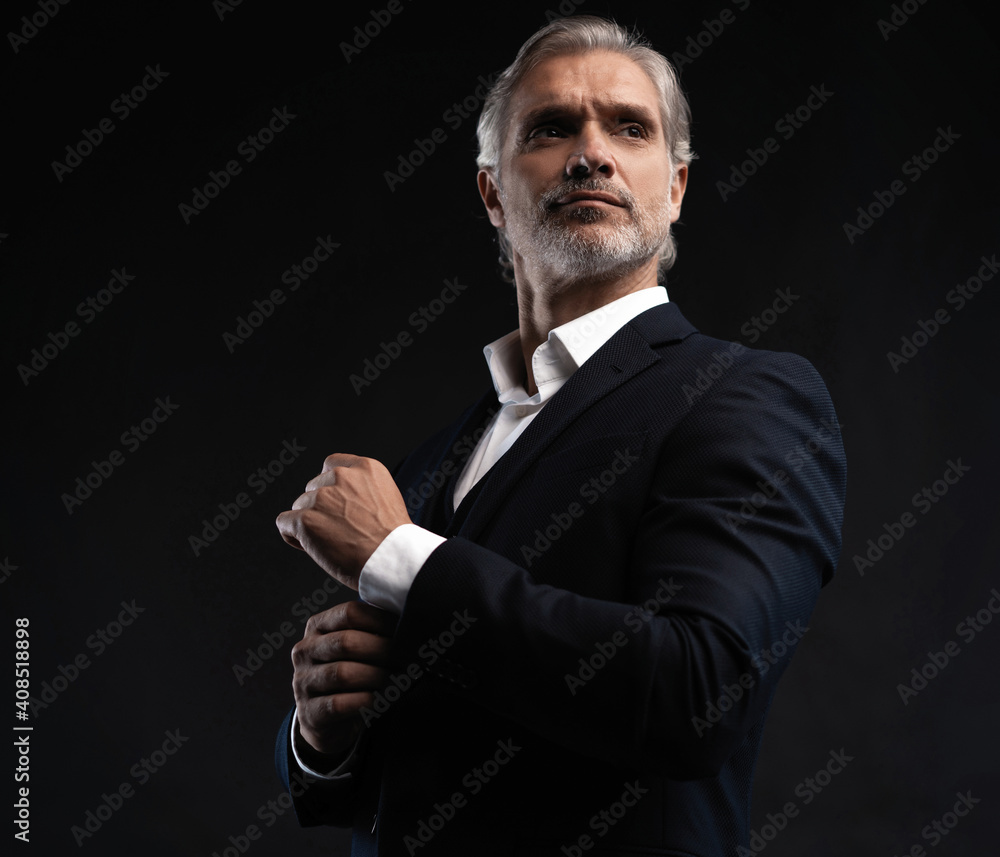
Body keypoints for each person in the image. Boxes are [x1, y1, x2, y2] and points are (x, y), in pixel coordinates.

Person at [274, 15, 846, 857]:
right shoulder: (434, 459)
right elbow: (392, 769)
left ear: (676, 187)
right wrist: (322, 738)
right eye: (550, 128)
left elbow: (699, 694)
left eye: (629, 127)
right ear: (492, 195)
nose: (591, 154)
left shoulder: (746, 397)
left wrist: (399, 555)